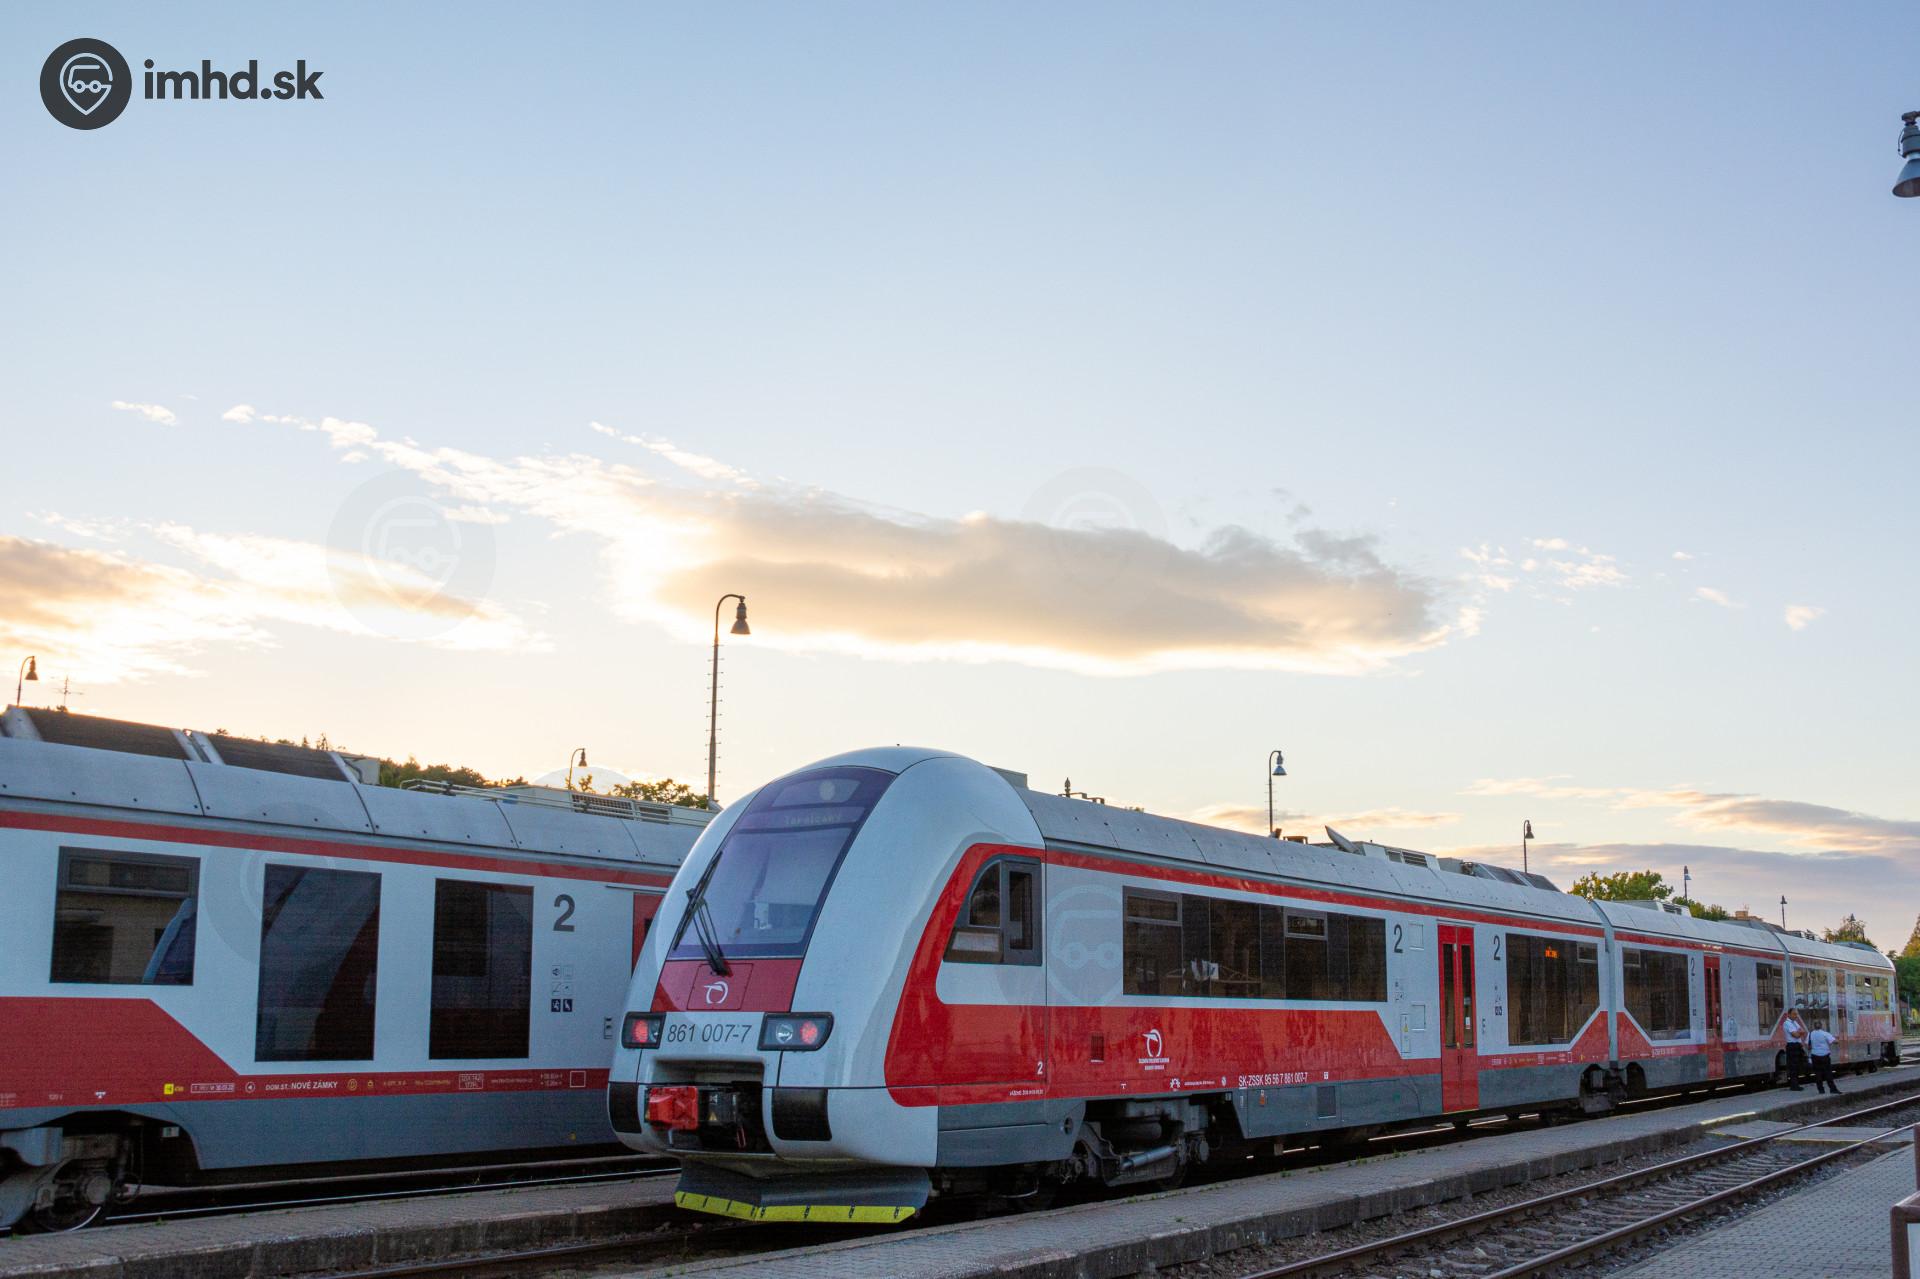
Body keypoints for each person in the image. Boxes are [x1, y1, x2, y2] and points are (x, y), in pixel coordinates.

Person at [1807, 1022, 1842, 1094]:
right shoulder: (1825, 1034)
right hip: (1825, 1056)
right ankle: (1833, 1089)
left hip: (1815, 1056)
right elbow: (1835, 1041)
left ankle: (1821, 1090)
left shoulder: (1810, 1034)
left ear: (1814, 1026)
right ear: (1821, 1026)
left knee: (1818, 1073)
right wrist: (1837, 1040)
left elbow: (1807, 1045)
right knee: (1828, 1073)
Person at [1782, 1006, 1809, 1091]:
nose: (1796, 1016)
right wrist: (1799, 1032)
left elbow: (1803, 1031)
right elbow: (1795, 1035)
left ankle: (1796, 1084)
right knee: (1793, 1067)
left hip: (1797, 1046)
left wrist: (1799, 1032)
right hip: (1792, 1046)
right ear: (1789, 1014)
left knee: (1798, 1066)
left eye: (1796, 1014)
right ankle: (1794, 1086)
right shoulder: (1787, 1023)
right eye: (1794, 1014)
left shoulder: (1795, 1023)